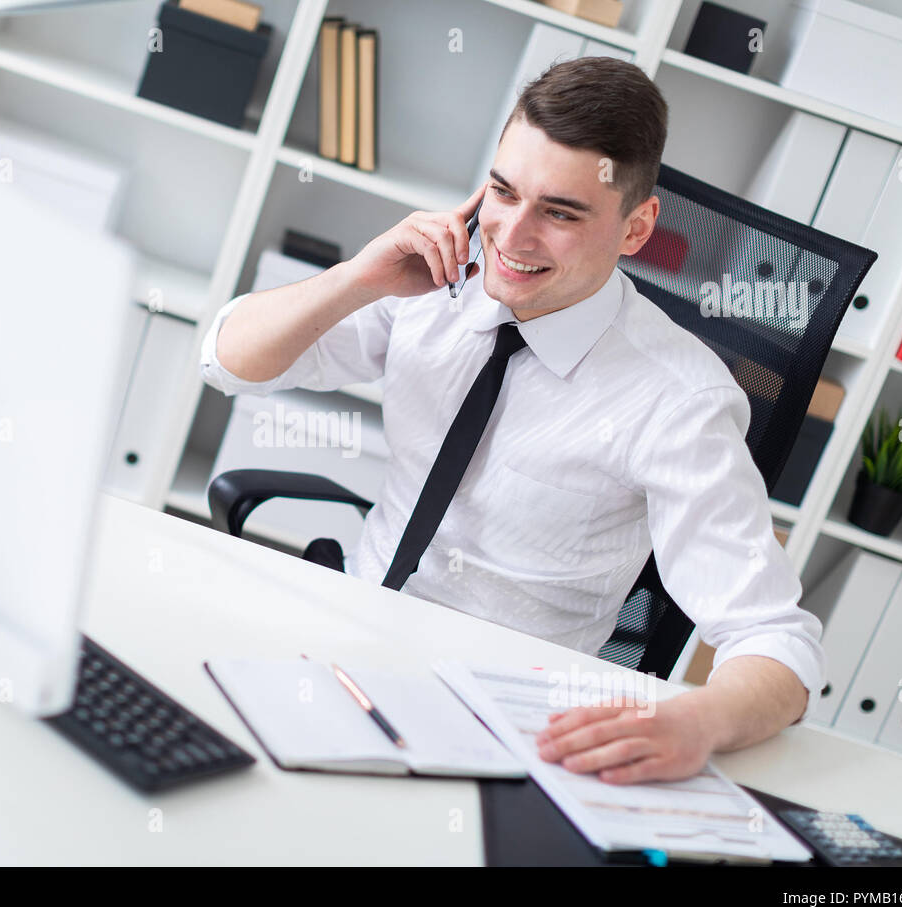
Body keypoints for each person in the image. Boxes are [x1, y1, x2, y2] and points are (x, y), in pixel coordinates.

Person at [199, 58, 825, 785]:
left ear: (636, 229)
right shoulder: (435, 282)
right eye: (502, 192)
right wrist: (357, 279)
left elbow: (779, 642)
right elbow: (229, 363)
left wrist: (699, 718)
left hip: (505, 725)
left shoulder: (678, 401)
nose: (513, 237)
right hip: (346, 646)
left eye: (560, 213)